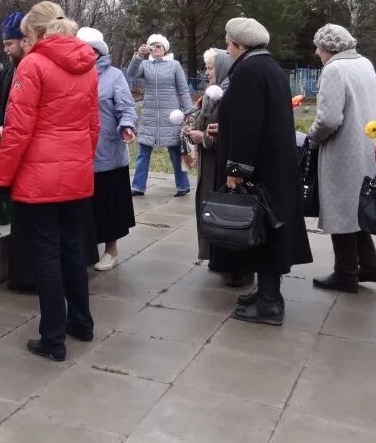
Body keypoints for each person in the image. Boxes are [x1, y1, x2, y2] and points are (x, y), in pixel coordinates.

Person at [0, 2, 99, 362]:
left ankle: (53, 338)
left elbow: (17, 131)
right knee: (73, 250)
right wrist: (80, 160)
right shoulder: (88, 65)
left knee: (47, 256)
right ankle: (81, 322)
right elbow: (93, 126)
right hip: (75, 174)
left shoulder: (32, 65)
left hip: (40, 178)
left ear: (33, 33)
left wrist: (1, 179)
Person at [218, 18, 313, 325]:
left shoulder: (248, 70)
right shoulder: (270, 67)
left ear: (239, 45)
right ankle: (267, 293)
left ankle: (270, 303)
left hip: (260, 169)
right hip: (276, 166)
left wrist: (236, 169)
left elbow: (248, 126)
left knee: (263, 232)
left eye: (228, 43)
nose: (226, 48)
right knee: (269, 231)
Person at [307, 24, 376, 292]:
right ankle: (370, 266)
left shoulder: (334, 69)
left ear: (329, 48)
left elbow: (329, 118)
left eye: (319, 46)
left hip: (343, 149)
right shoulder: (364, 63)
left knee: (341, 209)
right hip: (366, 146)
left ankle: (346, 273)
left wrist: (312, 137)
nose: (317, 52)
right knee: (355, 209)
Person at [0, 11, 36, 291]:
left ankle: (32, 278)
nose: (5, 49)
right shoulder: (11, 69)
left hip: (31, 159)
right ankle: (24, 277)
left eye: (9, 44)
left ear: (24, 41)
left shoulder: (32, 69)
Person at [185, 48, 253, 288]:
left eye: (211, 67)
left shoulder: (226, 93)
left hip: (222, 164)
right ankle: (219, 257)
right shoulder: (212, 93)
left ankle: (235, 264)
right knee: (214, 208)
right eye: (206, 67)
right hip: (212, 163)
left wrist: (202, 138)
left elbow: (229, 131)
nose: (207, 72)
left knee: (226, 212)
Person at [77, 27, 137, 271]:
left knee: (108, 203)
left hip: (107, 152)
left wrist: (127, 126)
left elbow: (126, 106)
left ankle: (111, 250)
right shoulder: (71, 74)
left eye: (89, 51)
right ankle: (85, 250)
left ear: (97, 52)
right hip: (79, 152)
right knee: (85, 207)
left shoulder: (113, 76)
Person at [126, 34, 194, 197]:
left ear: (165, 49)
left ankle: (183, 185)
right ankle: (138, 187)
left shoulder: (175, 65)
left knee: (177, 151)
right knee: (143, 152)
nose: (156, 49)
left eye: (159, 46)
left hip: (171, 116)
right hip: (150, 115)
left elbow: (183, 90)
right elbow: (131, 73)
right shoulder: (144, 64)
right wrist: (137, 57)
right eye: (153, 46)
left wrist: (189, 112)